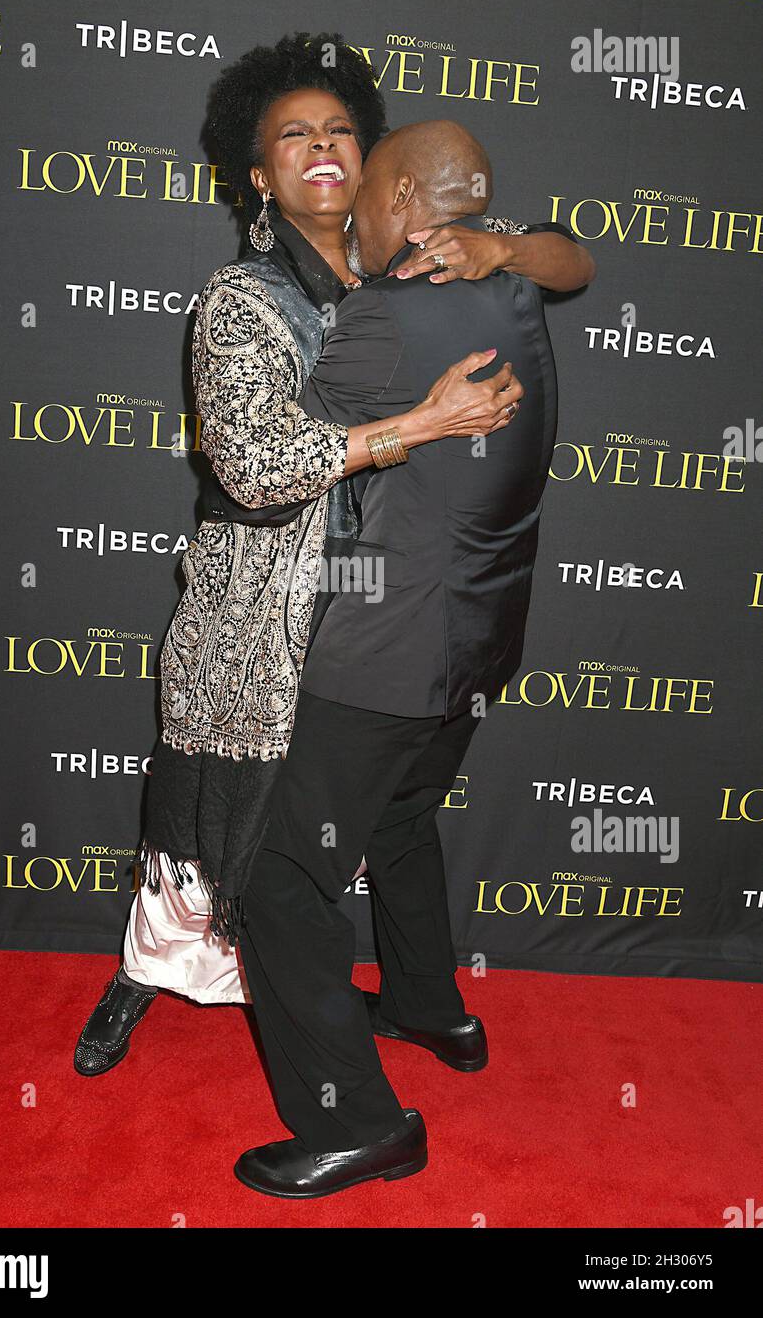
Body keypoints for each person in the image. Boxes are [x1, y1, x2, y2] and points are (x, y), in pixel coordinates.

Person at [74, 34, 593, 1077]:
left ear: (377, 166)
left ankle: (425, 1004)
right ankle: (146, 969)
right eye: (291, 136)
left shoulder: (424, 259)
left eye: (339, 130)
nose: (321, 147)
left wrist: (498, 246)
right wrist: (421, 423)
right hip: (260, 608)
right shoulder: (238, 300)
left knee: (393, 818)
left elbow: (571, 258)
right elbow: (253, 468)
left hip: (377, 617)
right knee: (212, 815)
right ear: (257, 177)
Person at [232, 119, 570, 1198]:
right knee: (399, 819)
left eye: (369, 192)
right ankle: (432, 1004)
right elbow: (565, 252)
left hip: (384, 652)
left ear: (405, 209)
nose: (357, 214)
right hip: (479, 643)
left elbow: (276, 457)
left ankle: (356, 1122)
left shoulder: (380, 315)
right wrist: (501, 244)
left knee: (278, 877)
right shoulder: (514, 290)